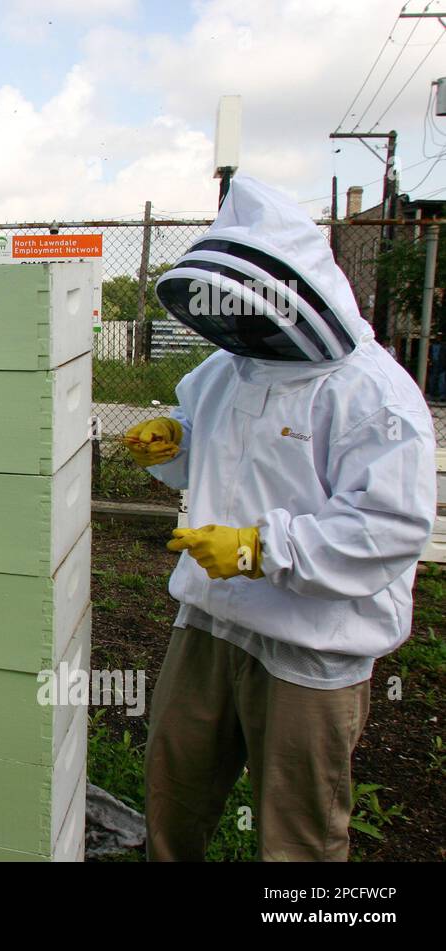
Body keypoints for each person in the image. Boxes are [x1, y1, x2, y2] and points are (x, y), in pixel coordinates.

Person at [125, 175, 436, 861]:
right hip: (209, 620)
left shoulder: (375, 396)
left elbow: (389, 528)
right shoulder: (224, 372)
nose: (238, 322)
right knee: (174, 789)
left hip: (313, 644)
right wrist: (173, 444)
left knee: (297, 831)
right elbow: (212, 451)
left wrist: (259, 551)